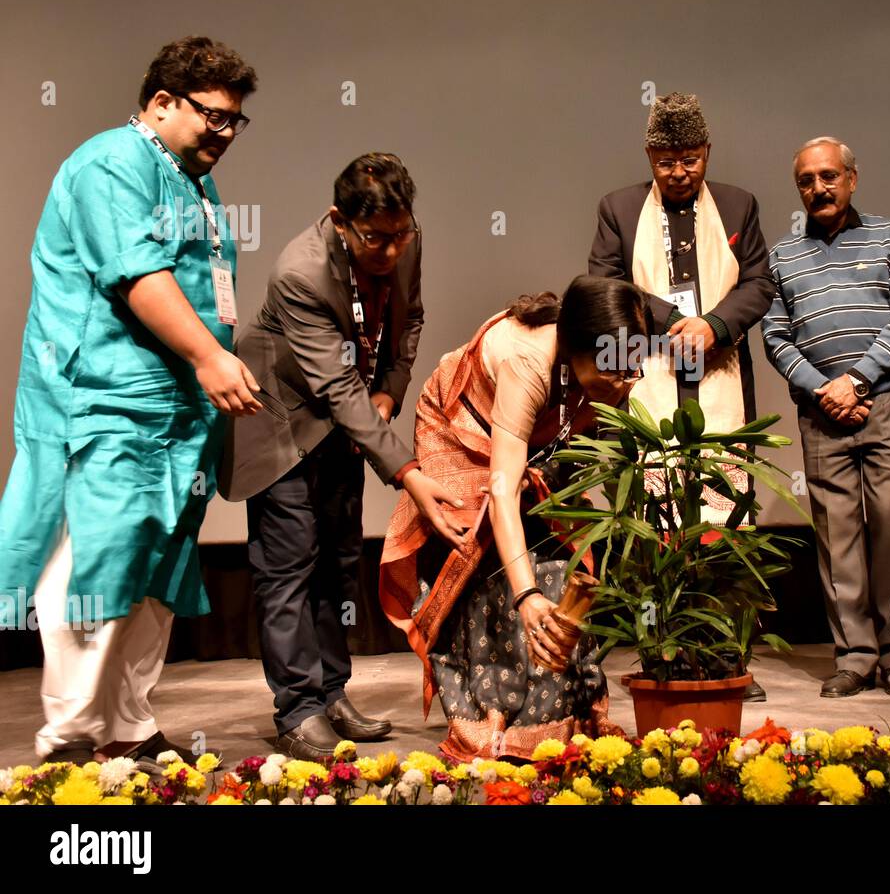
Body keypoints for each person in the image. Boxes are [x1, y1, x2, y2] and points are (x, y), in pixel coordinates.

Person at [0, 37, 260, 769]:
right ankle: (70, 738)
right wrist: (210, 355)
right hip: (105, 401)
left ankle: (126, 723)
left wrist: (209, 363)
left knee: (157, 566)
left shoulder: (189, 178)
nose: (226, 132)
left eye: (237, 121)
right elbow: (138, 276)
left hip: (174, 410)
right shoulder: (112, 163)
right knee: (100, 558)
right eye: (213, 115)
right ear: (160, 102)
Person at [219, 154, 461, 760]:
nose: (389, 250)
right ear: (340, 220)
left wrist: (390, 390)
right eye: (374, 239)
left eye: (399, 235)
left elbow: (411, 324)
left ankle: (331, 692)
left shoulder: (406, 239)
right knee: (290, 566)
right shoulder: (300, 272)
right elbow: (330, 385)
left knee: (339, 559)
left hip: (345, 414)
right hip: (280, 416)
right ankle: (298, 709)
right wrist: (408, 473)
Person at [379, 275, 643, 760]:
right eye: (616, 369)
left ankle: (563, 710)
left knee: (562, 560)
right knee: (486, 559)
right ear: (576, 347)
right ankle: (490, 710)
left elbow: (593, 454)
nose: (625, 383)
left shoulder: (605, 371)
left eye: (634, 369)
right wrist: (525, 596)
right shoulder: (529, 364)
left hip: (524, 443)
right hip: (459, 432)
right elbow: (501, 493)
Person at [589, 91, 775, 700]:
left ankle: (727, 659)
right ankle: (662, 656)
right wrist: (677, 321)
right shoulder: (618, 209)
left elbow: (758, 283)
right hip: (651, 378)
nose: (679, 173)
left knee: (726, 512)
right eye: (667, 161)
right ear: (650, 155)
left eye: (691, 160)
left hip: (719, 376)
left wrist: (716, 327)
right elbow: (605, 283)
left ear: (706, 153)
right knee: (655, 517)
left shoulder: (739, 204)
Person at [762, 136, 890, 699]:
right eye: (806, 180)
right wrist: (823, 389)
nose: (818, 188)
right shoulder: (782, 256)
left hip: (887, 401)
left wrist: (856, 380)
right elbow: (776, 338)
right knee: (837, 537)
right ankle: (854, 656)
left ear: (852, 179)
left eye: (829, 176)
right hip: (820, 414)